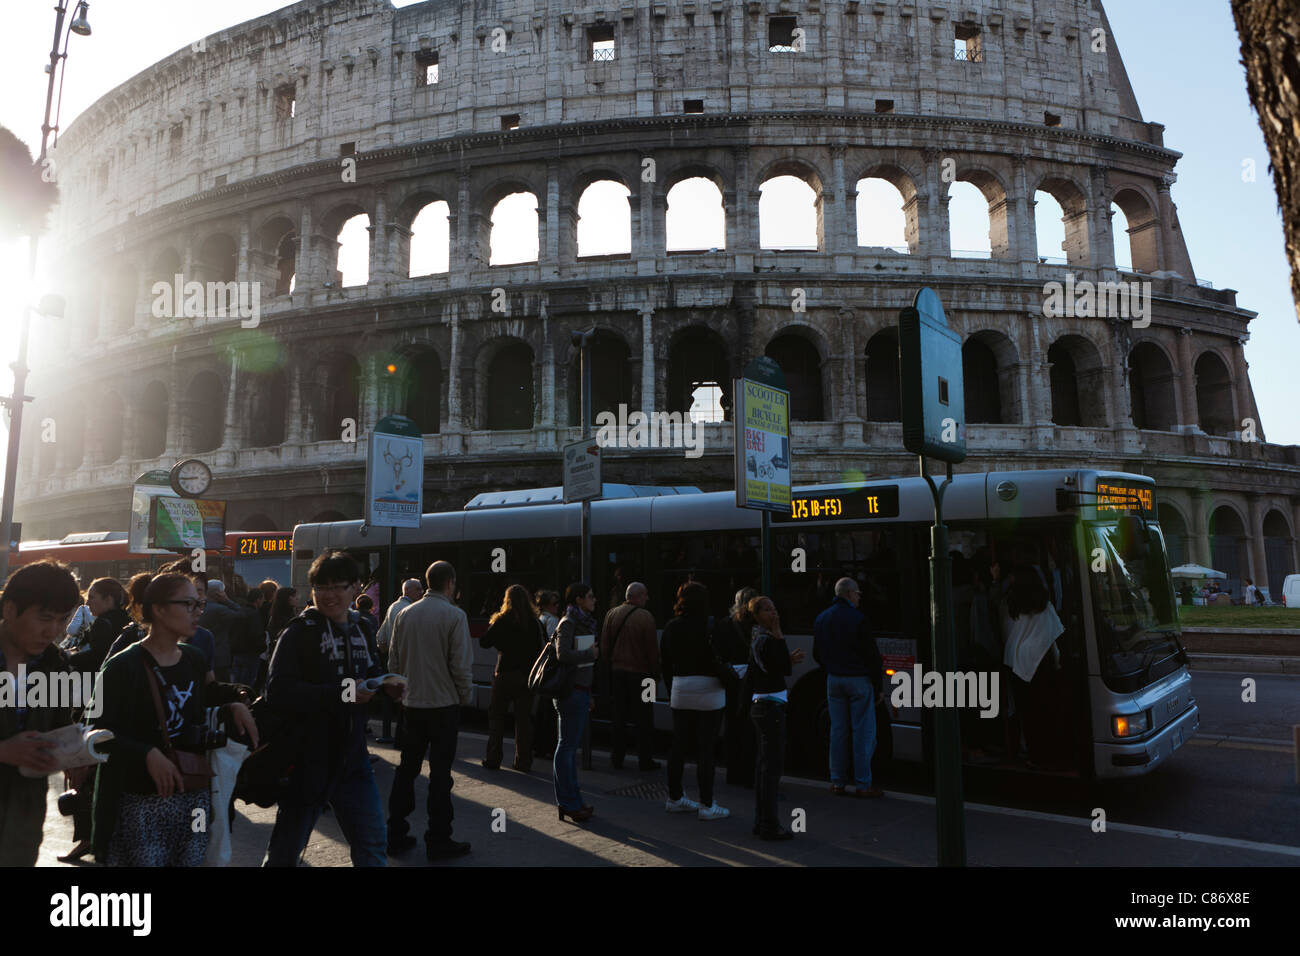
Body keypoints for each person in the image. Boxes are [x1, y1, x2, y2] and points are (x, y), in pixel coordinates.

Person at [90, 573, 257, 866]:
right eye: (189, 604)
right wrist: (146, 754)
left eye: (199, 605)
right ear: (159, 609)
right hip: (140, 801)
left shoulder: (193, 658)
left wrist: (235, 701)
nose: (197, 613)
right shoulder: (121, 667)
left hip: (194, 798)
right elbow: (95, 733)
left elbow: (204, 696)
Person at [262, 552, 398, 867]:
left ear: (356, 588)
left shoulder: (364, 626)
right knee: (285, 853)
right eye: (321, 587)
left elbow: (371, 673)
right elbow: (278, 691)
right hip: (307, 760)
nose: (329, 595)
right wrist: (344, 693)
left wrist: (386, 684)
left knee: (373, 845)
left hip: (354, 760)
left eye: (338, 586)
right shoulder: (300, 631)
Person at [386, 560, 474, 860]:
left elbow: (393, 663)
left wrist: (402, 693)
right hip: (443, 706)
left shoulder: (405, 614)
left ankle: (395, 832)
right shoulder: (454, 616)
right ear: (449, 583)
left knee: (406, 771)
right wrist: (465, 696)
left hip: (412, 705)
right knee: (440, 774)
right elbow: (460, 665)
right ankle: (438, 839)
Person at [0, 561, 82, 866]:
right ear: (10, 610)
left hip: (23, 820)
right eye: (45, 618)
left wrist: (76, 751)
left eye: (63, 620)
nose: (54, 631)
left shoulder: (55, 665)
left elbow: (61, 725)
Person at [660, 582, 735, 820]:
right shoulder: (713, 625)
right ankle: (707, 804)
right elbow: (725, 655)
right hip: (710, 688)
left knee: (678, 746)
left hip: (681, 686)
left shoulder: (671, 626)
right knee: (706, 749)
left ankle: (674, 798)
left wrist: (674, 687)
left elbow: (665, 662)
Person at [813, 578, 885, 798]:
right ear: (850, 593)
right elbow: (872, 656)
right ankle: (863, 784)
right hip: (858, 680)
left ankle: (837, 782)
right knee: (863, 732)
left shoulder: (822, 618)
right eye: (858, 593)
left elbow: (818, 654)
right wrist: (878, 685)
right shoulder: (859, 619)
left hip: (834, 679)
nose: (859, 597)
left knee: (838, 731)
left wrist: (832, 668)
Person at [748, 595, 804, 840]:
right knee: (771, 770)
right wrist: (779, 632)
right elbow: (785, 669)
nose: (774, 613)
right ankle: (769, 825)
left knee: (764, 768)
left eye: (774, 608)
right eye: (768, 610)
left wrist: (785, 658)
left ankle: (762, 822)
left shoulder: (759, 639)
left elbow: (778, 665)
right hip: (770, 708)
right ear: (757, 614)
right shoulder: (767, 639)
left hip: (763, 706)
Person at [1001, 565, 1066, 768]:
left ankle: (1031, 754)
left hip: (1017, 661)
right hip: (1042, 662)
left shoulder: (1010, 604)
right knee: (1045, 711)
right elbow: (1053, 638)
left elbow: (1006, 634)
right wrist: (1058, 663)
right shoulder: (1045, 606)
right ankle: (1048, 754)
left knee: (1026, 713)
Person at [480, 584, 544, 772]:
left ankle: (493, 759)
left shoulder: (502, 620)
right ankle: (523, 762)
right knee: (524, 720)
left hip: (504, 674)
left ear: (507, 600)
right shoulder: (534, 622)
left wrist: (501, 645)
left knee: (497, 718)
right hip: (526, 676)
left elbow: (484, 642)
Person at [553, 582, 599, 822]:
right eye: (590, 596)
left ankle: (573, 800)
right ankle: (569, 802)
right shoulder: (569, 622)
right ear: (579, 599)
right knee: (567, 748)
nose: (595, 600)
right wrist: (588, 654)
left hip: (581, 690)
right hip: (571, 692)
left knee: (569, 748)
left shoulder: (583, 622)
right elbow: (563, 654)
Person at [602, 582, 660, 771]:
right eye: (645, 595)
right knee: (646, 717)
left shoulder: (611, 614)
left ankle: (617, 758)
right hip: (645, 677)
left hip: (618, 674)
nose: (647, 598)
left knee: (619, 716)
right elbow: (652, 651)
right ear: (637, 596)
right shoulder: (646, 617)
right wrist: (656, 675)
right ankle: (646, 759)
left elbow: (605, 646)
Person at [714, 587, 758, 787]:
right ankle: (749, 773)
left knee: (732, 727)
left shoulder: (724, 624)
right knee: (751, 729)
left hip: (732, 682)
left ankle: (733, 772)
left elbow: (717, 653)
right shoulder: (757, 625)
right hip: (753, 681)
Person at [374, 579, 422, 744]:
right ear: (407, 590)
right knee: (407, 702)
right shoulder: (410, 610)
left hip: (392, 659)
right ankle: (403, 739)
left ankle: (394, 736)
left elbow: (380, 637)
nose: (421, 592)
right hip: (405, 660)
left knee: (396, 699)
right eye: (418, 589)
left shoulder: (393, 607)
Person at [533, 590, 561, 760]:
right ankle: (547, 746)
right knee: (549, 711)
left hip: (539, 672)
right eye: (554, 603)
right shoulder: (552, 621)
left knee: (541, 710)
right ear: (545, 606)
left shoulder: (539, 619)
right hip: (549, 672)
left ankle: (538, 746)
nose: (557, 606)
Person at [228, 578, 265, 688]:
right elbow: (256, 635)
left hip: (236, 654)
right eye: (262, 599)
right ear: (258, 600)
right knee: (248, 685)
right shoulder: (254, 615)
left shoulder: (239, 612)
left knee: (237, 684)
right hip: (250, 655)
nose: (263, 601)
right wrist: (263, 647)